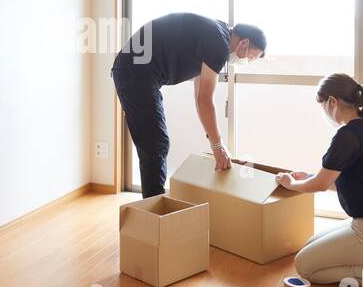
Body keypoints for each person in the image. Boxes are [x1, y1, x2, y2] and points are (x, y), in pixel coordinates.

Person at [276, 73, 363, 287]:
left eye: (322, 106)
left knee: (305, 266)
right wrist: (309, 177)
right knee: (310, 244)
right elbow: (340, 181)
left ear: (332, 102)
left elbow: (320, 185)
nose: (324, 113)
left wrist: (290, 183)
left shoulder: (347, 135)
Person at [111, 13, 266, 197]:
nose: (246, 62)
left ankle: (154, 207)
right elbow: (205, 100)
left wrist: (214, 142)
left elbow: (199, 97)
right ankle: (154, 213)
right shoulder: (218, 43)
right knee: (155, 144)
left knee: (154, 143)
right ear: (244, 44)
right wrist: (218, 147)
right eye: (251, 58)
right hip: (135, 73)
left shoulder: (217, 34)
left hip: (138, 73)